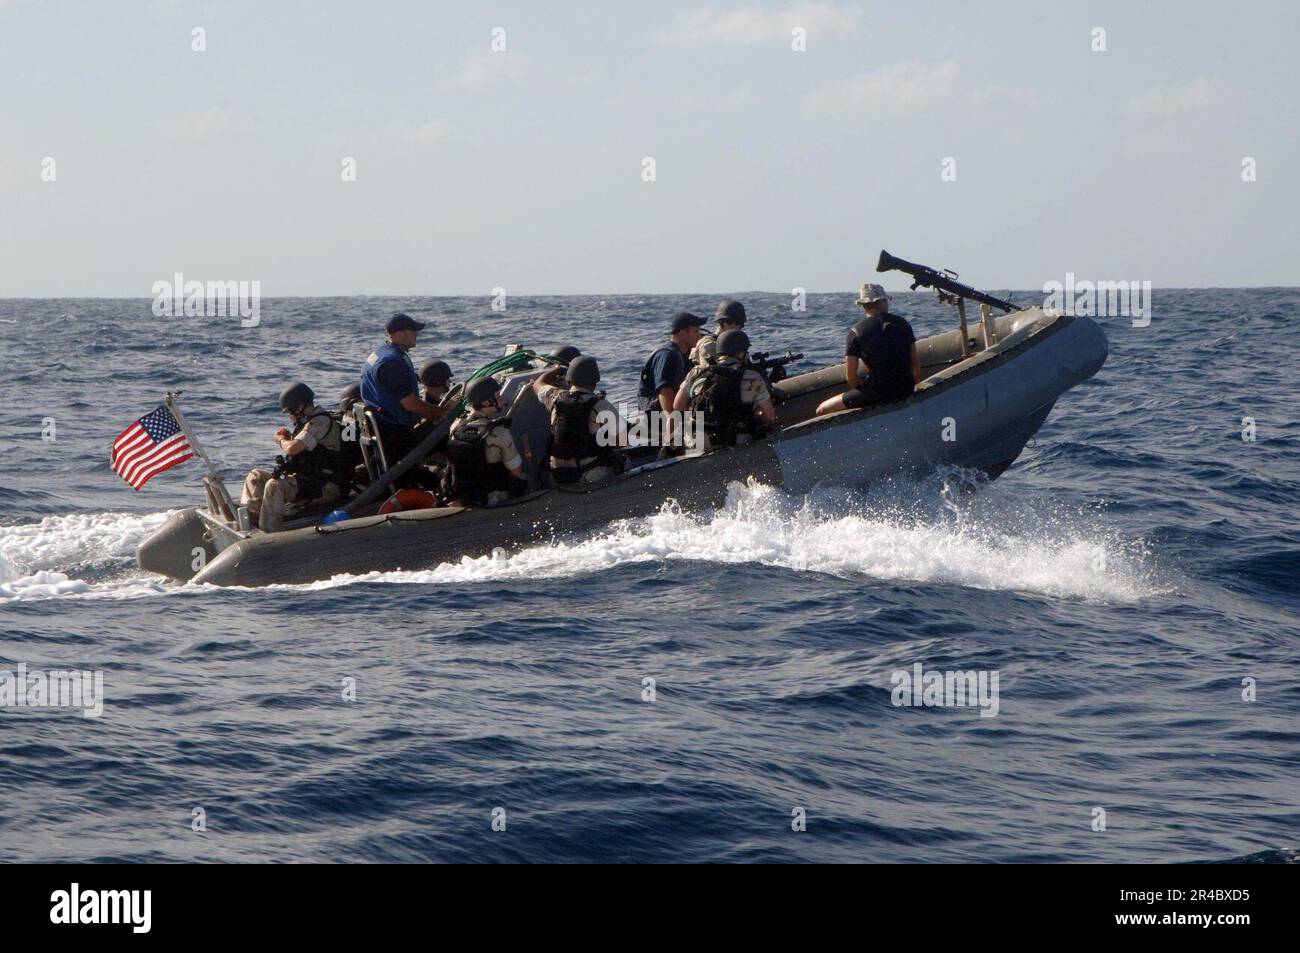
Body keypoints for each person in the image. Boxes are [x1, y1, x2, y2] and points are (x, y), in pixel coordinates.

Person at [241, 383, 348, 531]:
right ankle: (254, 517)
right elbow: (305, 448)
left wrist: (280, 440)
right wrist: (289, 437)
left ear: (298, 408)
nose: (290, 418)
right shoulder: (309, 421)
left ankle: (268, 533)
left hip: (325, 486)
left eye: (290, 413)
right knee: (255, 476)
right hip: (309, 480)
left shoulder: (320, 422)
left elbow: (293, 448)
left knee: (274, 486)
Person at [816, 283, 920, 417]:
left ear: (863, 305)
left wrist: (866, 393)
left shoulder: (855, 333)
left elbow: (851, 377)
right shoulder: (903, 323)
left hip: (879, 393)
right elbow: (916, 369)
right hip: (906, 388)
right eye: (886, 300)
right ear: (881, 302)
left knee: (822, 409)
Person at [359, 313, 447, 464]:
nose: (416, 334)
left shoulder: (381, 352)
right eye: (413, 331)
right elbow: (410, 404)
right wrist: (441, 413)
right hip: (395, 436)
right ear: (400, 335)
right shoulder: (393, 362)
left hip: (382, 426)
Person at [675, 329, 778, 451]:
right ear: (740, 353)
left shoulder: (697, 372)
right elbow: (770, 416)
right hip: (734, 441)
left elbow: (678, 405)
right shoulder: (751, 377)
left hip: (697, 442)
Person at [532, 355, 622, 484]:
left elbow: (537, 384)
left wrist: (558, 369)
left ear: (569, 378)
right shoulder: (602, 405)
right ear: (595, 381)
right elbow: (621, 441)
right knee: (623, 460)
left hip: (558, 474)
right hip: (589, 474)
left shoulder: (555, 397)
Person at [443, 377, 528, 506]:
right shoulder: (499, 432)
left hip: (465, 497)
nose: (502, 399)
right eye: (498, 396)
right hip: (493, 498)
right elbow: (515, 471)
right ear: (487, 403)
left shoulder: (456, 426)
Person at [638, 311, 705, 455]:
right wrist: (675, 425)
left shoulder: (681, 355)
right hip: (658, 417)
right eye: (695, 331)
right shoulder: (668, 355)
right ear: (682, 333)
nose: (699, 336)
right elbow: (665, 391)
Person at [689, 299, 748, 367]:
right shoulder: (708, 345)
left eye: (738, 322)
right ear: (720, 322)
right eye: (729, 322)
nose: (733, 326)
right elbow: (713, 371)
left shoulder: (737, 345)